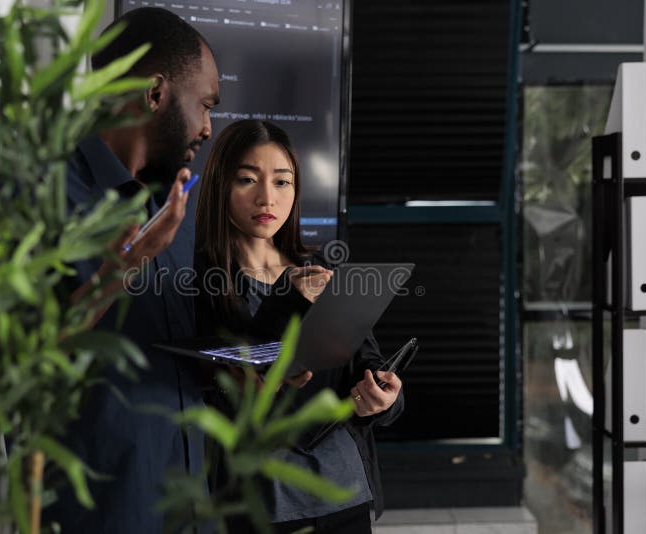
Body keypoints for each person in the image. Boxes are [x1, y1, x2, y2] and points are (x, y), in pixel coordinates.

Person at [45, 7, 220, 533]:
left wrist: (249, 366)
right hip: (103, 517)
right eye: (205, 105)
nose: (210, 128)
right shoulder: (50, 198)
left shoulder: (179, 210)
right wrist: (122, 269)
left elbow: (181, 355)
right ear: (154, 93)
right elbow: (29, 364)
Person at [194, 120, 404, 534]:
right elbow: (238, 379)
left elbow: (369, 364)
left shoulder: (321, 267)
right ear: (221, 186)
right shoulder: (202, 279)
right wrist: (288, 301)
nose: (267, 197)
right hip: (264, 506)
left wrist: (386, 398)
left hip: (344, 492)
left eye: (283, 181)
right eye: (247, 179)